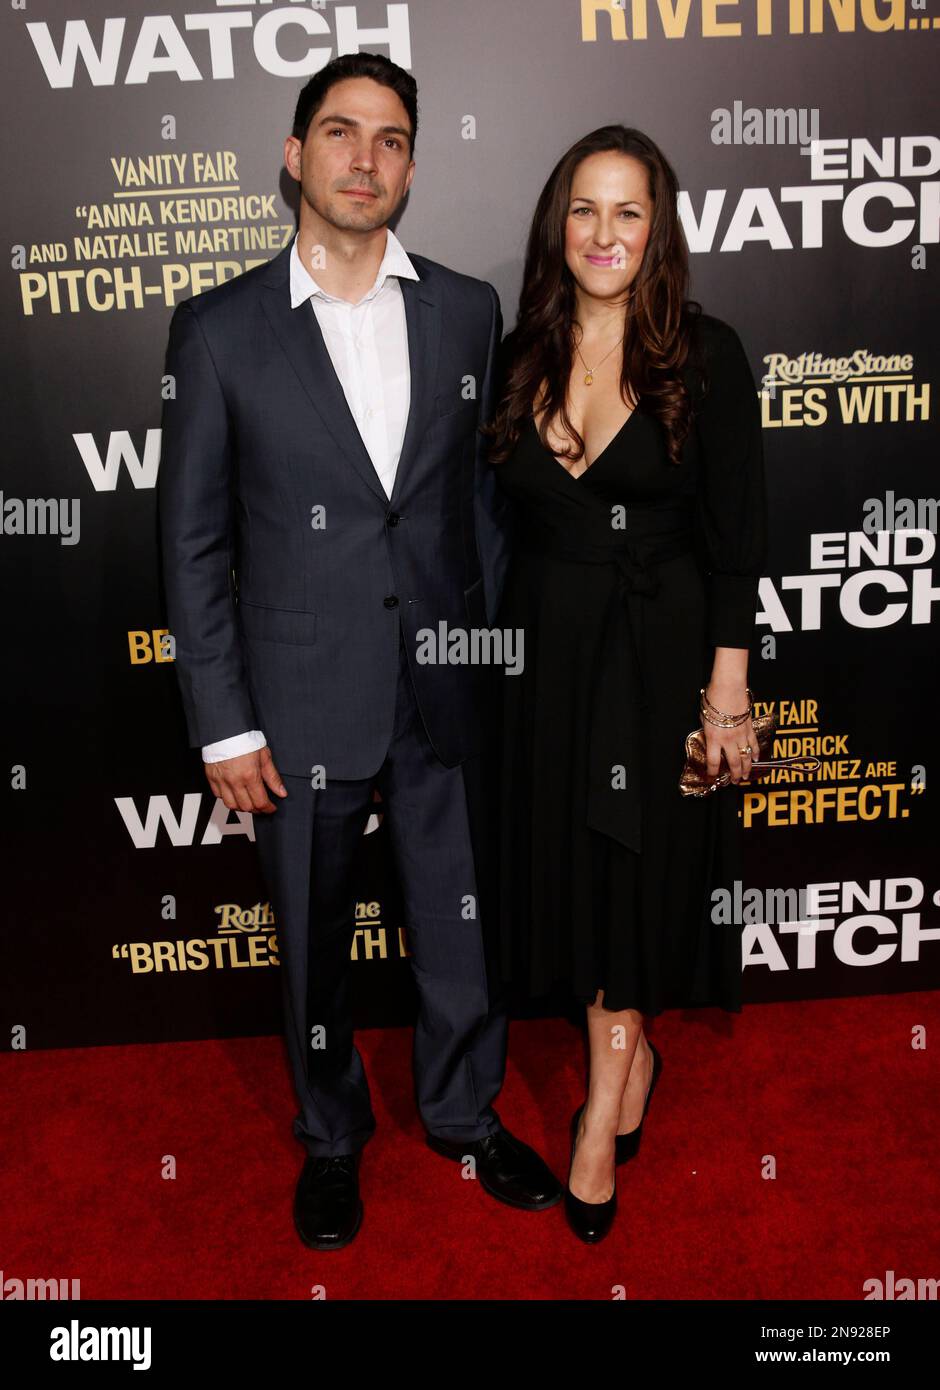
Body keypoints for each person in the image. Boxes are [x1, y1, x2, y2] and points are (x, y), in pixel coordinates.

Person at [158, 52, 561, 1252]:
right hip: (295, 701)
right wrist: (224, 722)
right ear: (294, 154)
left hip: (443, 687)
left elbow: (474, 513)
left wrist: (486, 661)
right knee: (313, 947)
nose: (363, 159)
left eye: (389, 140)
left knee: (459, 926)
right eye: (339, 132)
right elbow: (191, 543)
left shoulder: (464, 310)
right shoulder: (221, 331)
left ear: (412, 166)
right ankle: (331, 1137)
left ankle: (462, 1113)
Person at [482, 125, 768, 1243]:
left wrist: (726, 696)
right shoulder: (519, 354)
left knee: (635, 877)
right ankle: (628, 1046)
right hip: (545, 663)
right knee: (569, 876)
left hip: (659, 660)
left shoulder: (707, 354)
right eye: (585, 210)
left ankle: (599, 1114)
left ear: (659, 230)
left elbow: (738, 541)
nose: (604, 234)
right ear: (560, 224)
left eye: (629, 211)